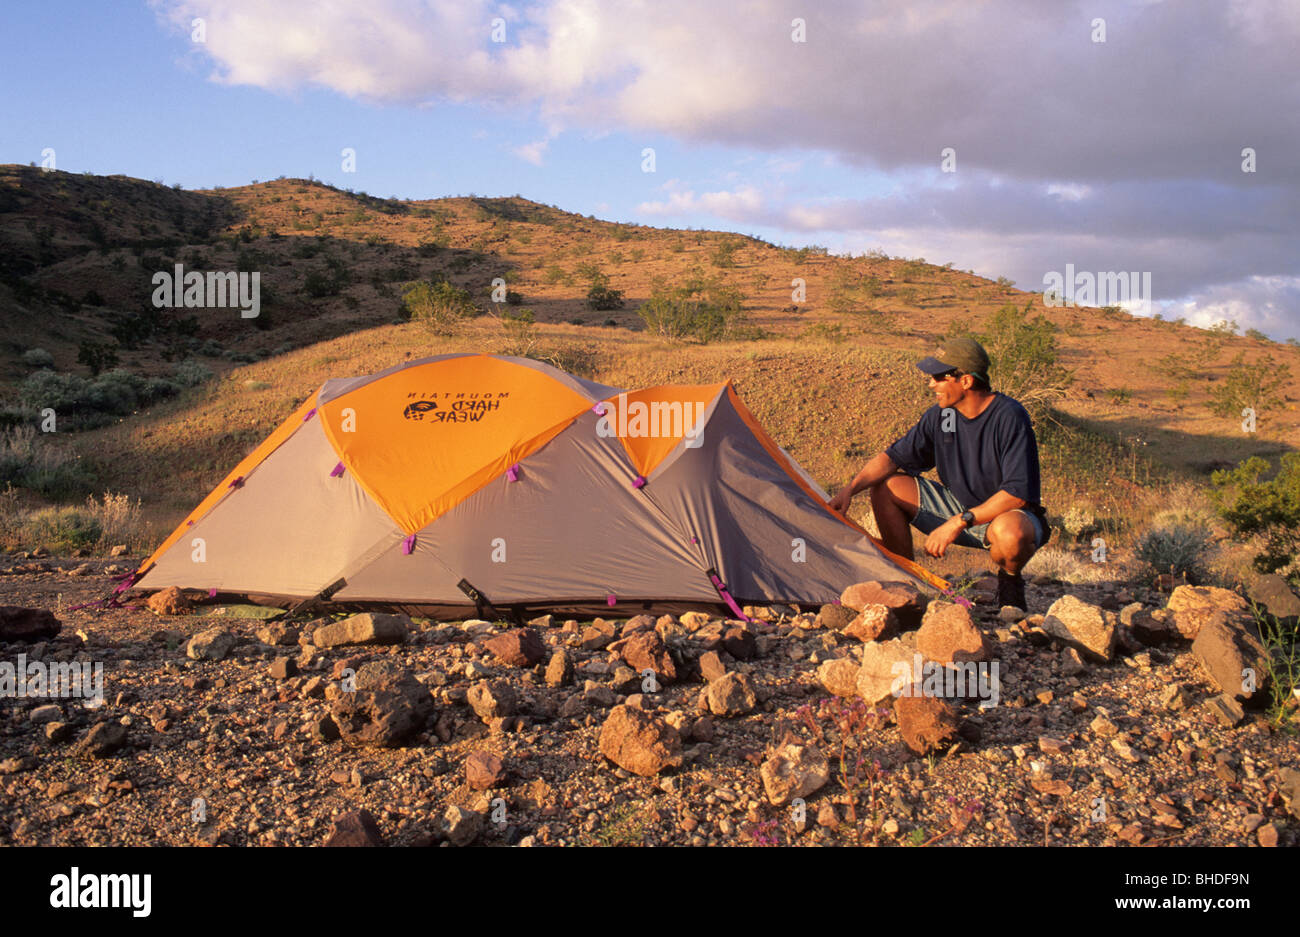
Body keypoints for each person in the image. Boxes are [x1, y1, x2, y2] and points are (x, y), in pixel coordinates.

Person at [828, 337, 1049, 611]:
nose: (931, 384)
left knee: (1010, 533)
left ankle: (1010, 584)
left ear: (965, 381)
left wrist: (958, 522)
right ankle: (905, 581)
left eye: (938, 377)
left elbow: (1016, 495)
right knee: (887, 487)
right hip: (960, 508)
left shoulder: (1009, 416)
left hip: (1004, 516)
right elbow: (891, 458)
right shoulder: (940, 417)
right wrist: (850, 489)